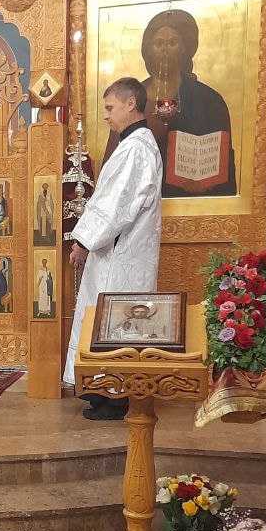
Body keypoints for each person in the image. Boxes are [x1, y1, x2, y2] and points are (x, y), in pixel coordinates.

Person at [66, 77, 162, 420]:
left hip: (121, 254)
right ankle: (102, 389)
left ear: (130, 104)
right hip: (117, 252)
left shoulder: (136, 148)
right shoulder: (134, 145)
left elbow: (115, 204)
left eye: (110, 107)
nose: (106, 115)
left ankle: (117, 395)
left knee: (117, 322)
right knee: (105, 319)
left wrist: (84, 241)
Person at [120, 9, 235, 198]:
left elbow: (223, 162)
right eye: (158, 43)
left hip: (192, 203)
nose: (165, 49)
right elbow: (117, 155)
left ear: (184, 48)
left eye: (172, 42)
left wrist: (207, 182)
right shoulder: (130, 99)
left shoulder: (209, 100)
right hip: (141, 201)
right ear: (148, 49)